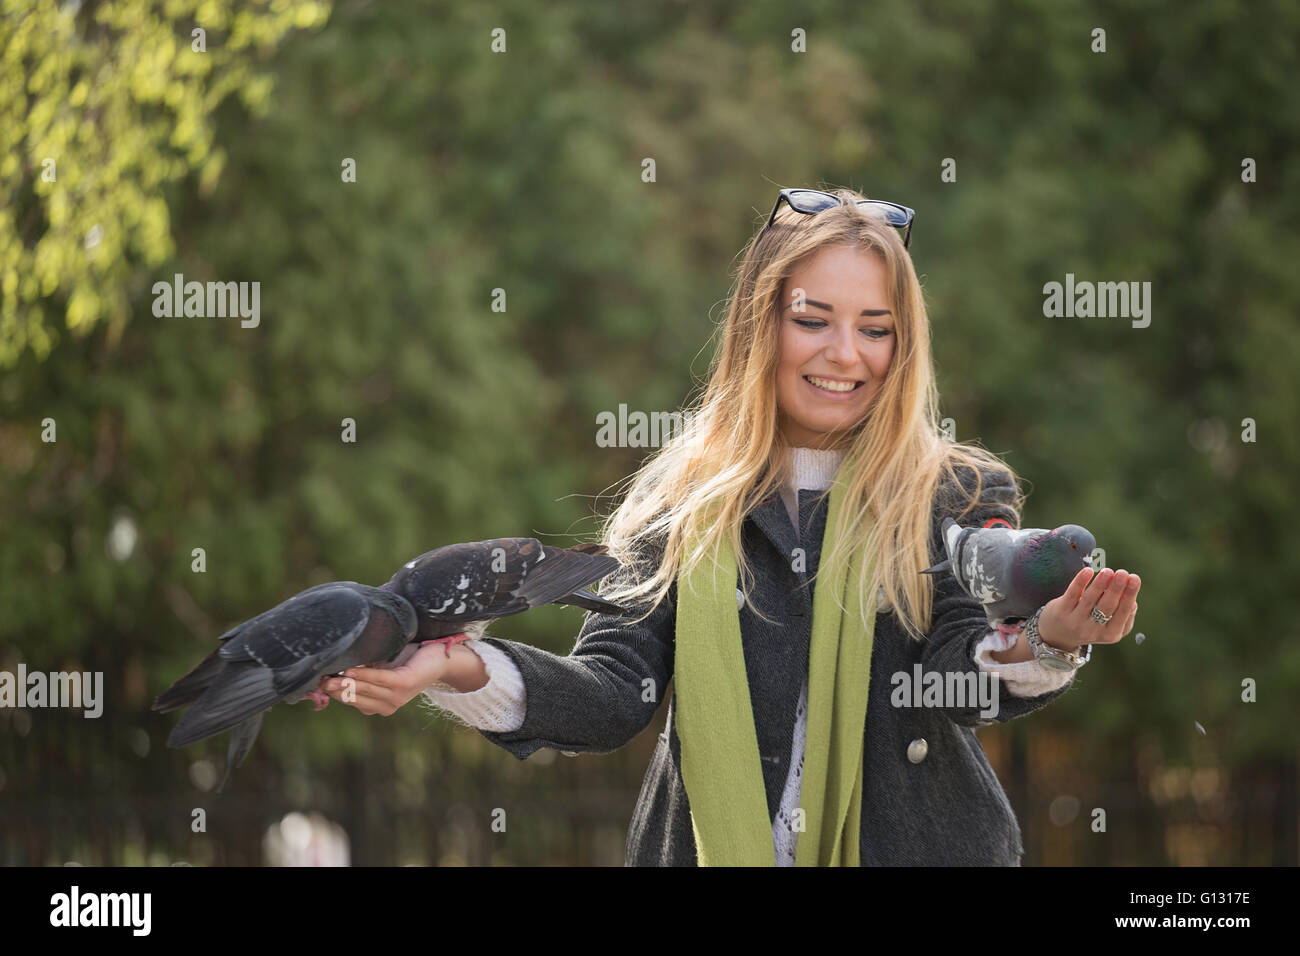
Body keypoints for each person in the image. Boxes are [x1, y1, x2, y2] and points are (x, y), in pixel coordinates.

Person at [321, 186, 1142, 865]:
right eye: (813, 319)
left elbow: (959, 676)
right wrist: (452, 666)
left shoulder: (951, 490)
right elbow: (613, 694)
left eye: (875, 329)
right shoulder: (681, 499)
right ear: (761, 322)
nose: (846, 355)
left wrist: (1049, 640)